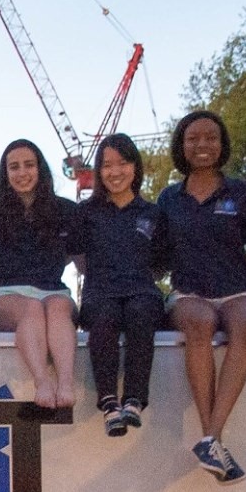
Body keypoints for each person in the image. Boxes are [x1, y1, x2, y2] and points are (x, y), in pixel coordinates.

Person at [156, 109, 246, 483]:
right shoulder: (169, 199)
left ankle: (212, 437)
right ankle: (211, 438)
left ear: (222, 144)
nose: (202, 145)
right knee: (199, 323)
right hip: (189, 293)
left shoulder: (244, 194)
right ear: (181, 146)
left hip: (237, 289)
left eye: (210, 138)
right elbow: (156, 259)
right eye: (193, 139)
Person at [0, 138, 81, 411]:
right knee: (32, 308)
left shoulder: (66, 211)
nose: (22, 173)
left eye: (29, 165)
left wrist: (53, 263)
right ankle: (42, 381)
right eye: (14, 167)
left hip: (54, 289)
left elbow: (77, 252)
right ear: (5, 173)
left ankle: (66, 383)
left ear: (40, 168)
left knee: (57, 308)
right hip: (4, 293)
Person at [75, 134, 166, 437]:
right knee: (103, 318)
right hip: (100, 291)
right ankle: (109, 403)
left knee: (141, 313)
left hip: (142, 291)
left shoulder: (152, 213)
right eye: (107, 165)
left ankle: (134, 400)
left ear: (135, 167)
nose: (115, 172)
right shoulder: (86, 213)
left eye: (122, 163)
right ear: (99, 171)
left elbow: (162, 261)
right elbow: (76, 254)